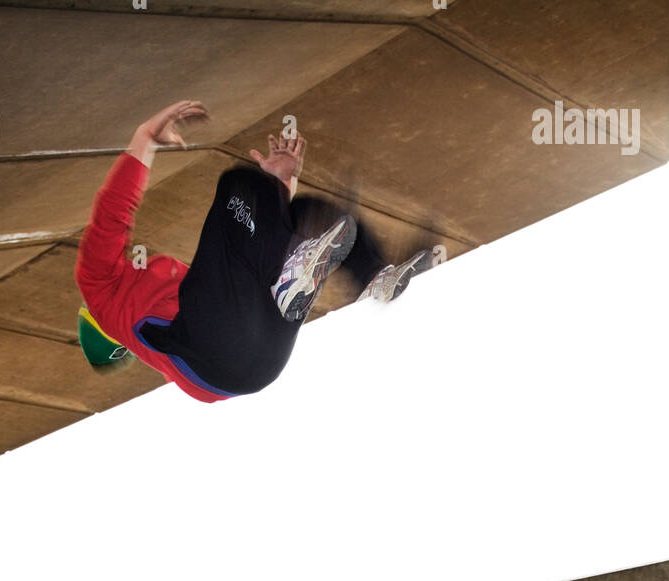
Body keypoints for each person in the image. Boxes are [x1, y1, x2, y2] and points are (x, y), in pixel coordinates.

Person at [75, 100, 438, 403]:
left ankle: (375, 276)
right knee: (238, 186)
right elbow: (112, 213)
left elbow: (253, 258)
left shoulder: (163, 314)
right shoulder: (99, 289)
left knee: (306, 217)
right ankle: (295, 257)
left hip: (259, 363)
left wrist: (279, 188)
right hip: (212, 351)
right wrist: (145, 138)